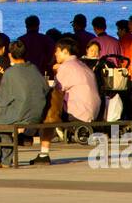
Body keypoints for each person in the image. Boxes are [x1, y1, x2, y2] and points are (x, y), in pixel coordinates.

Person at [30, 34, 103, 166]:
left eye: (57, 51)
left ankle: (43, 153)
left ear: (65, 51)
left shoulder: (66, 67)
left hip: (78, 113)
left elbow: (56, 91)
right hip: (92, 111)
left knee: (49, 110)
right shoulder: (82, 65)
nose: (55, 54)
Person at [0, 40, 49, 168]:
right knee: (1, 119)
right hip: (36, 113)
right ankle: (3, 160)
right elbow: (45, 89)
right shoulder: (34, 69)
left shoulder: (11, 72)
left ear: (10, 55)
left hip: (21, 114)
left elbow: (1, 100)